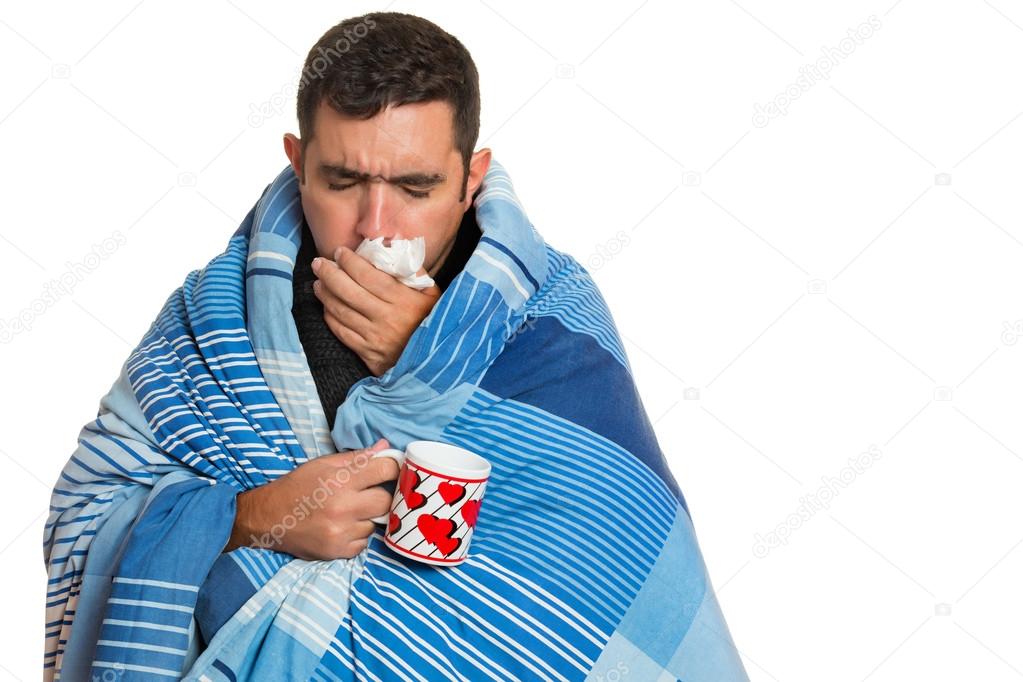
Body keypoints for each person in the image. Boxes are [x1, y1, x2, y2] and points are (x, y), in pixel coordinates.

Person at [43, 12, 748, 681]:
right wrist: (254, 518)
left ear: (471, 178)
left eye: (416, 186)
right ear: (298, 162)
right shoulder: (212, 320)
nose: (374, 224)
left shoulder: (546, 313)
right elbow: (83, 515)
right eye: (342, 181)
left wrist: (436, 359)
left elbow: (607, 530)